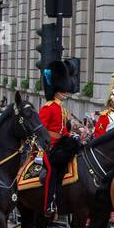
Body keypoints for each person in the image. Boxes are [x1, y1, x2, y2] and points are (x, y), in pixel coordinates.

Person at [38, 60, 78, 217]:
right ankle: (48, 203)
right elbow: (41, 130)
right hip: (50, 147)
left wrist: (72, 135)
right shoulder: (48, 107)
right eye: (63, 90)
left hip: (61, 146)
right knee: (52, 170)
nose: (66, 92)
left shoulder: (62, 109)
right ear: (56, 90)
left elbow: (63, 131)